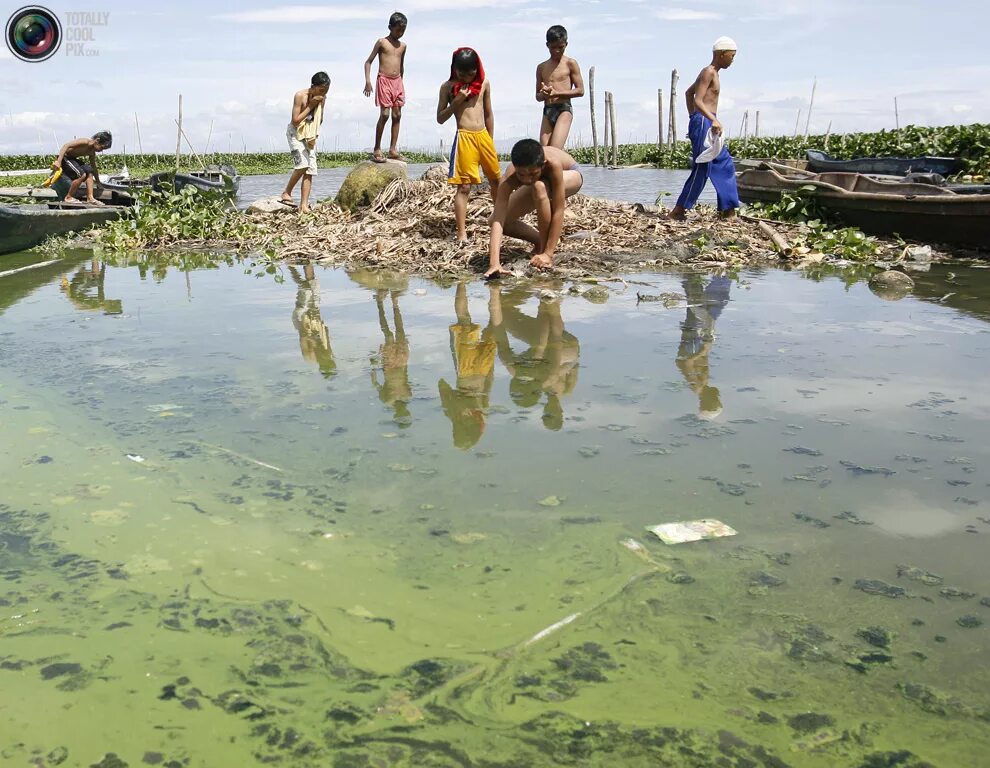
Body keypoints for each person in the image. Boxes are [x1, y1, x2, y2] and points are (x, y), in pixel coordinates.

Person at [486, 139, 583, 278]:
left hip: (571, 174)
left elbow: (559, 209)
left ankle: (544, 249)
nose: (526, 180)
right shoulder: (509, 178)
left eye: (532, 174)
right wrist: (494, 263)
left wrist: (548, 254)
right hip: (540, 182)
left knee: (538, 187)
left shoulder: (551, 164)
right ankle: (538, 240)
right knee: (492, 220)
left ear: (542, 166)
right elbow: (498, 220)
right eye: (521, 175)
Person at [669, 37, 741, 221]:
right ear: (721, 54)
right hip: (706, 121)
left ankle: (727, 210)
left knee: (725, 165)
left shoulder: (714, 74)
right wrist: (704, 120)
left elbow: (687, 93)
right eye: (731, 56)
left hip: (705, 121)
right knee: (702, 166)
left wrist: (696, 119)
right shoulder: (708, 72)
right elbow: (697, 100)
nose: (732, 60)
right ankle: (679, 210)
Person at [437, 47, 500, 244]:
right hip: (464, 138)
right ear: (455, 69)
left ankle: (500, 220)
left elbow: (488, 113)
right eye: (461, 72)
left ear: (477, 68)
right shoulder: (447, 87)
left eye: (471, 72)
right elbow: (440, 118)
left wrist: (490, 139)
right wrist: (457, 101)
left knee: (496, 180)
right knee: (464, 187)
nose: (466, 77)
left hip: (483, 137)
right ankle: (462, 233)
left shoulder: (483, 84)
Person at [438, 282, 498, 450]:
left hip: (481, 371)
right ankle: (462, 282)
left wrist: (490, 367)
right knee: (465, 320)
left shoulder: (479, 415)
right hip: (466, 370)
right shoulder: (453, 413)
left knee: (492, 327)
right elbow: (442, 386)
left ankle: (493, 289)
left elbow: (488, 387)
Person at [676, 274, 731, 420]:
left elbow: (684, 362)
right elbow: (699, 362)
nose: (719, 396)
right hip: (697, 340)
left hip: (692, 341)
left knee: (705, 304)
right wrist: (706, 349)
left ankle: (695, 274)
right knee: (709, 303)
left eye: (717, 400)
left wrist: (703, 351)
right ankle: (699, 275)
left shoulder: (697, 386)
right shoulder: (702, 384)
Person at [282, 71, 330, 213]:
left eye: (326, 90)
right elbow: (295, 121)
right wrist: (311, 105)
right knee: (302, 165)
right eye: (321, 90)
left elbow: (319, 119)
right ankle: (287, 192)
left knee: (310, 169)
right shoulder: (300, 96)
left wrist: (313, 130)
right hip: (295, 133)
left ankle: (303, 205)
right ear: (313, 87)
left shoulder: (323, 98)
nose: (323, 93)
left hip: (309, 134)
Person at [364, 12, 408, 163]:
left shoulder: (403, 46)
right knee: (384, 115)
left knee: (397, 115)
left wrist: (401, 82)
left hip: (397, 81)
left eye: (403, 30)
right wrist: (368, 81)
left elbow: (401, 66)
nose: (400, 33)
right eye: (398, 30)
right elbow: (368, 61)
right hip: (384, 80)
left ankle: (392, 149)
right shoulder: (382, 42)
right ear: (390, 27)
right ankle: (377, 148)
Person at [536, 25, 584, 149]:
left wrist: (556, 93)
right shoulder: (541, 67)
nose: (557, 51)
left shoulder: (570, 63)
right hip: (548, 110)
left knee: (555, 151)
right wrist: (544, 94)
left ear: (566, 44)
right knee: (545, 152)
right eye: (553, 47)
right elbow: (538, 96)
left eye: (560, 47)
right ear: (547, 45)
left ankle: (570, 167)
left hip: (564, 109)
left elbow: (580, 90)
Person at [288, 264, 337, 377]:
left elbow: (303, 336)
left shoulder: (309, 357)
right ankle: (307, 263)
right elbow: (326, 332)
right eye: (329, 361)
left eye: (328, 362)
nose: (329, 358)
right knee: (313, 283)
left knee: (306, 288)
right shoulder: (327, 353)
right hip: (314, 317)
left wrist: (316, 341)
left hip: (301, 319)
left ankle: (290, 267)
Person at [52, 131, 112, 205]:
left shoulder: (92, 152)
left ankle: (90, 198)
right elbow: (65, 146)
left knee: (90, 171)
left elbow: (94, 167)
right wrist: (58, 161)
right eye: (102, 147)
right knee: (82, 174)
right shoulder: (85, 142)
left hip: (73, 159)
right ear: (97, 140)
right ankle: (68, 197)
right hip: (65, 158)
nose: (101, 151)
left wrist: (98, 182)